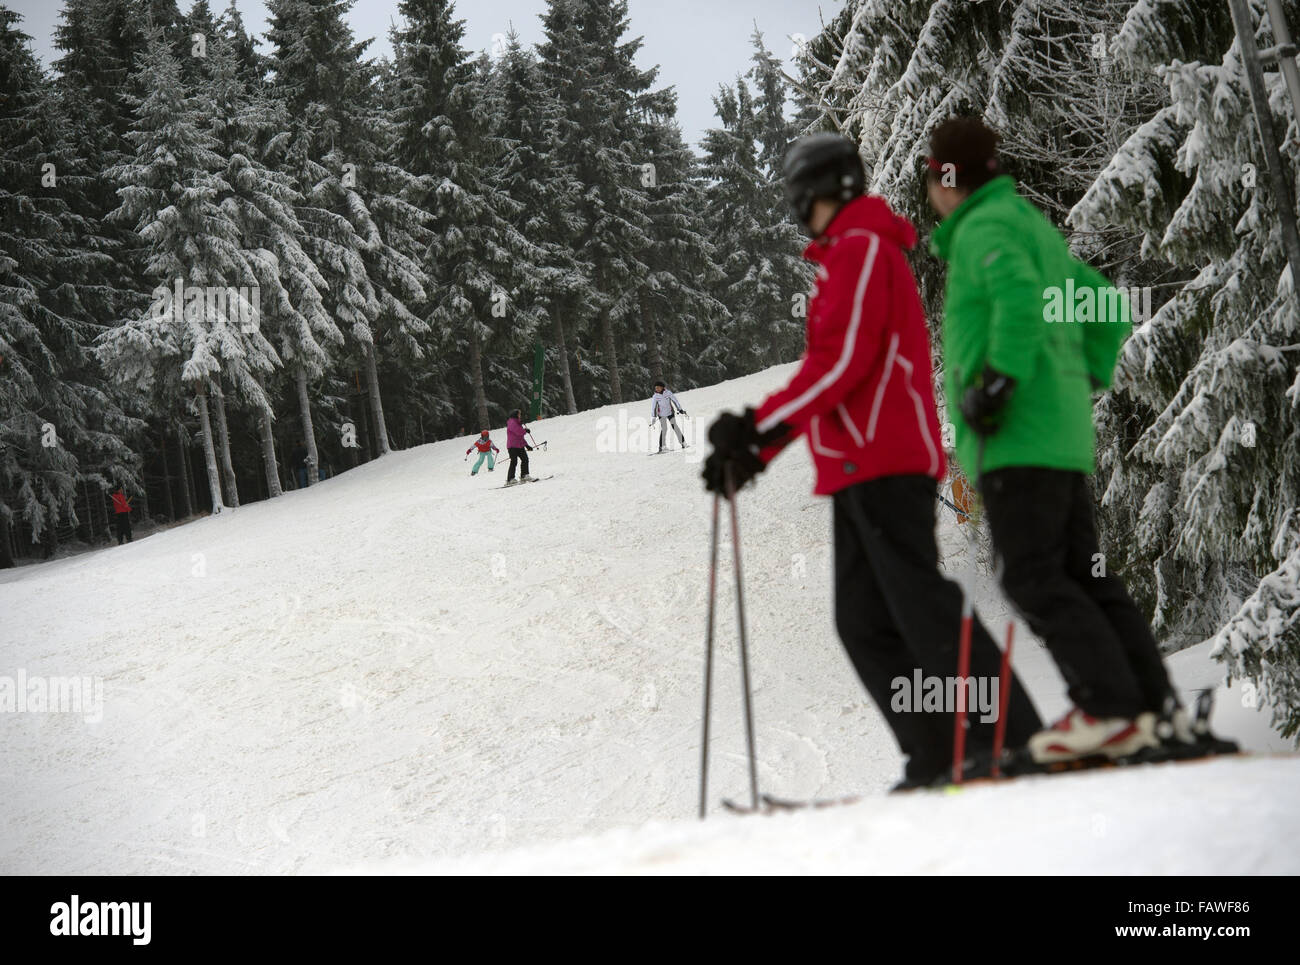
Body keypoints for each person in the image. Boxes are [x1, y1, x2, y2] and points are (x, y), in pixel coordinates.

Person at [703, 132, 1043, 789]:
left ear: (818, 192)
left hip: (886, 458)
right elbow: (832, 374)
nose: (796, 209)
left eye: (799, 197)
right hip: (858, 466)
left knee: (921, 606)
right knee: (863, 621)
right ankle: (941, 751)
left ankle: (1008, 737)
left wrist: (755, 429)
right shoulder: (848, 255)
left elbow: (844, 361)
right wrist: (758, 448)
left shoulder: (861, 249)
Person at [925, 116, 1232, 763]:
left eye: (934, 176)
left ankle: (1109, 709)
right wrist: (1082, 374)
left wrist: (1001, 382)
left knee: (1035, 576)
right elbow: (1100, 301)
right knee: (1082, 577)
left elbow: (1014, 295)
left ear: (946, 178)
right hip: (1058, 436)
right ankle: (1153, 709)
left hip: (1016, 439)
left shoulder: (985, 228)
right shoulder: (1031, 227)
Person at [650, 381, 688, 452]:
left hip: (670, 413)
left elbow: (675, 401)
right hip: (661, 415)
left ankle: (683, 443)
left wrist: (680, 409)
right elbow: (653, 407)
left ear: (662, 387)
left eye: (658, 387)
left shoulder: (668, 393)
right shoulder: (655, 396)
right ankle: (662, 447)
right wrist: (653, 417)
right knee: (664, 429)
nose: (657, 389)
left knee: (675, 427)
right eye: (656, 388)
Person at [505, 409, 534, 486]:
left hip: (519, 445)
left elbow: (520, 437)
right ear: (515, 414)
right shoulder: (511, 422)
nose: (520, 416)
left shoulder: (517, 423)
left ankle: (524, 475)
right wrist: (525, 430)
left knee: (525, 459)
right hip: (512, 446)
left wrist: (526, 445)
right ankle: (510, 479)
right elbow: (518, 432)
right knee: (514, 461)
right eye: (519, 414)